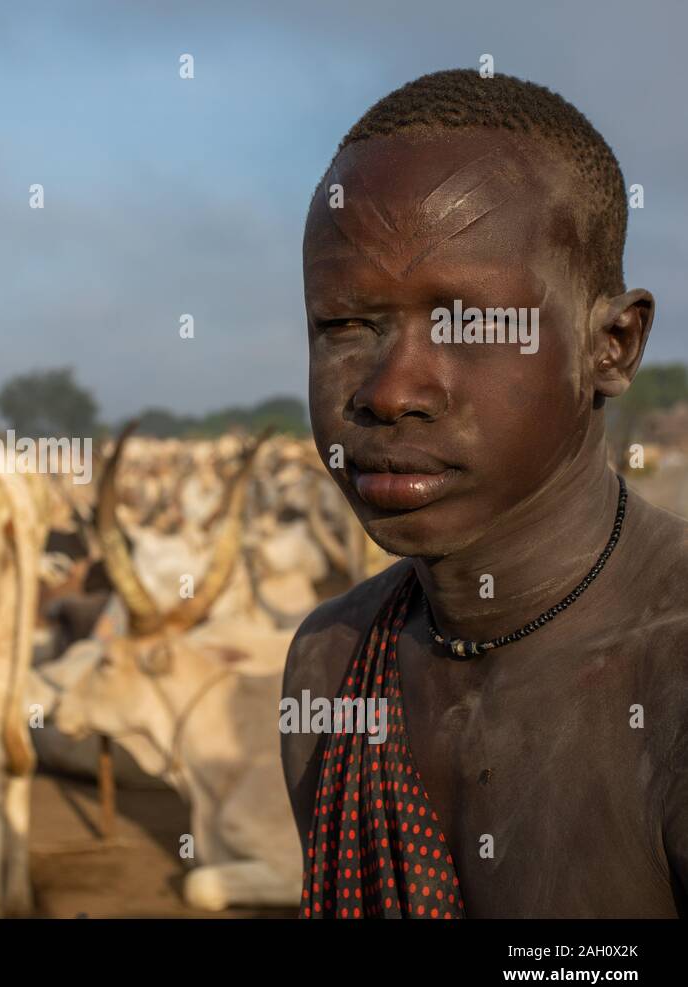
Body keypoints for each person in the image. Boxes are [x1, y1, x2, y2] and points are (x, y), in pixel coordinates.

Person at [281, 69, 688, 917]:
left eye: (467, 323)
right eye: (345, 326)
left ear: (611, 346)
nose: (391, 392)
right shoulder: (333, 664)